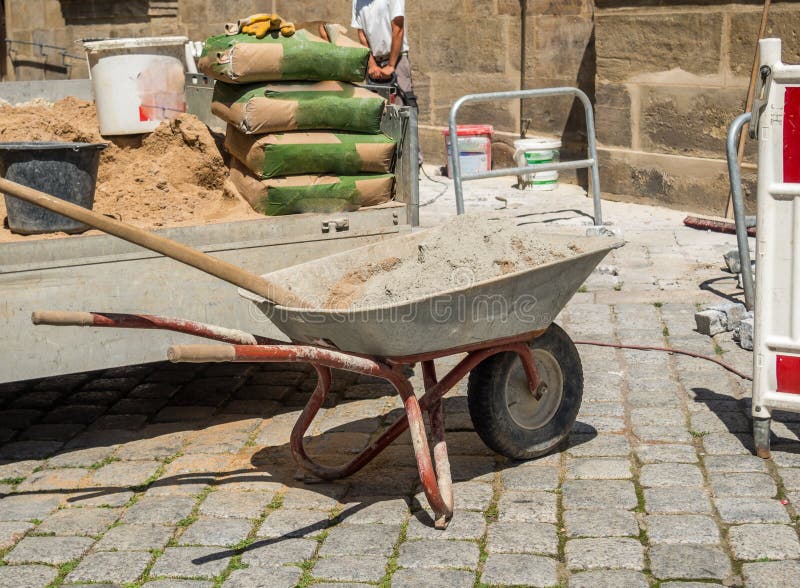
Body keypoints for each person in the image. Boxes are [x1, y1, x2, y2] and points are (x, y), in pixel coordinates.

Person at [351, 0, 417, 108]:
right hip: (374, 63)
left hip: (397, 59)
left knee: (401, 109)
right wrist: (372, 64)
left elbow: (398, 29)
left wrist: (391, 65)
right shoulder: (357, 1)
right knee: (376, 110)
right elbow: (361, 34)